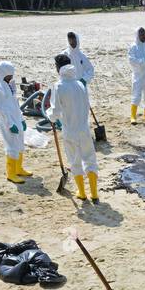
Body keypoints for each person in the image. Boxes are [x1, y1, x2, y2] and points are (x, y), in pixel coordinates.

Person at [46, 53, 99, 203]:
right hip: (84, 128)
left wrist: (51, 117)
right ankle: (94, 193)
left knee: (75, 161)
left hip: (70, 130)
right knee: (90, 159)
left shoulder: (59, 86)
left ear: (58, 68)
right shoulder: (80, 84)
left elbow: (55, 111)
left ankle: (82, 193)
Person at [0, 59, 32, 185]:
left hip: (16, 117)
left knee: (19, 143)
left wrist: (21, 118)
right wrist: (10, 124)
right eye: (8, 76)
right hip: (7, 120)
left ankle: (19, 168)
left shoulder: (9, 83)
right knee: (11, 146)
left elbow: (15, 101)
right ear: (2, 73)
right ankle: (11, 173)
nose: (10, 78)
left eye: (11, 75)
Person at [127, 27, 145, 123]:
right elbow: (131, 60)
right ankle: (133, 116)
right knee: (136, 94)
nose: (143, 36)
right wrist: (143, 61)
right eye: (141, 34)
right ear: (137, 35)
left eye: (144, 34)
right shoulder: (133, 47)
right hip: (137, 75)